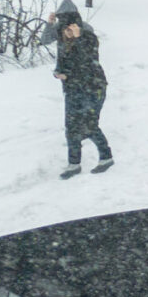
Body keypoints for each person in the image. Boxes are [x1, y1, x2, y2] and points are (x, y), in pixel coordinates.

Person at [53, 14, 113, 178]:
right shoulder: (63, 45)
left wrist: (79, 38)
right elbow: (60, 66)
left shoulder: (89, 39)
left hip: (93, 88)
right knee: (71, 128)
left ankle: (106, 157)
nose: (68, 33)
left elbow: (88, 60)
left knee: (89, 124)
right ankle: (74, 164)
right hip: (73, 90)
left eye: (71, 29)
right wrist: (58, 74)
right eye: (65, 30)